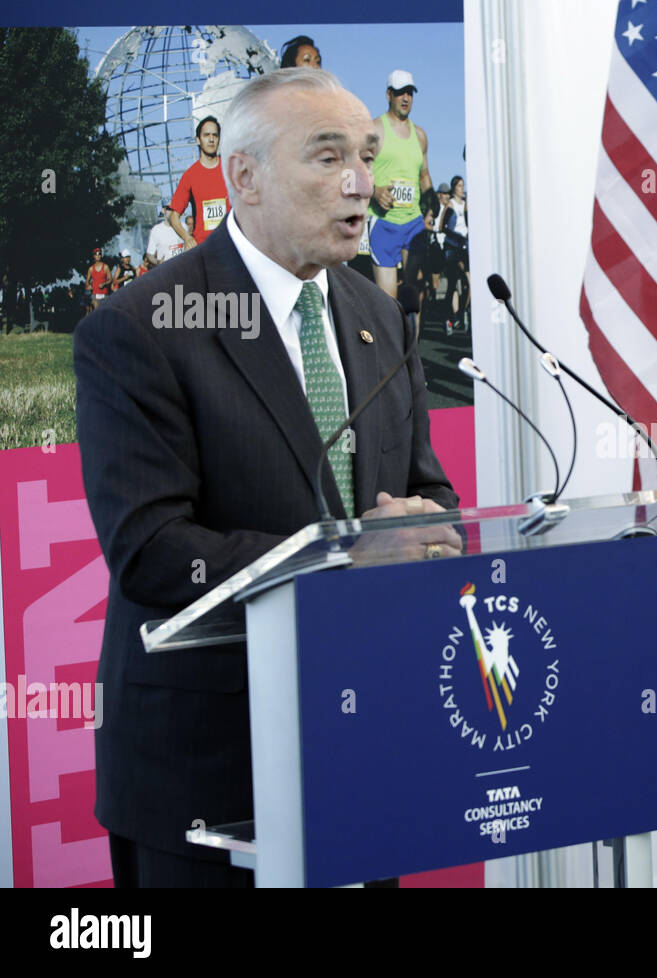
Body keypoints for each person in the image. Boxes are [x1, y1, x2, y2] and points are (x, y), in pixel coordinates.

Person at [74, 67, 463, 888]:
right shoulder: (141, 327)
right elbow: (149, 549)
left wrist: (427, 529)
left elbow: (431, 494)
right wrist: (343, 556)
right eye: (327, 157)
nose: (360, 181)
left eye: (363, 155)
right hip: (210, 781)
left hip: (366, 751)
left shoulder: (381, 317)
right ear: (242, 177)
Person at [368, 70, 432, 300]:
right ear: (388, 95)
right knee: (389, 301)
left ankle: (411, 338)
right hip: (384, 223)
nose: (405, 98)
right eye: (399, 93)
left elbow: (424, 176)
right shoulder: (373, 130)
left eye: (410, 93)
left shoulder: (421, 135)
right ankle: (392, 336)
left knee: (414, 294)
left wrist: (431, 204)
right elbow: (352, 172)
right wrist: (375, 192)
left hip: (413, 221)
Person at [168, 116, 229, 249]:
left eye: (215, 135)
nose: (211, 139)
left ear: (219, 139)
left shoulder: (230, 169)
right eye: (206, 135)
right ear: (198, 140)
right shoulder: (190, 176)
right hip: (204, 249)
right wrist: (187, 237)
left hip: (230, 247)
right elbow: (174, 216)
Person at [439, 175, 468, 333]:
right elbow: (442, 227)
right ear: (454, 188)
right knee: (452, 284)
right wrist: (458, 236)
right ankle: (448, 317)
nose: (463, 188)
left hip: (465, 247)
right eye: (460, 186)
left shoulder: (466, 204)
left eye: (464, 185)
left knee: (468, 284)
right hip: (452, 247)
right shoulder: (450, 204)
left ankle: (462, 313)